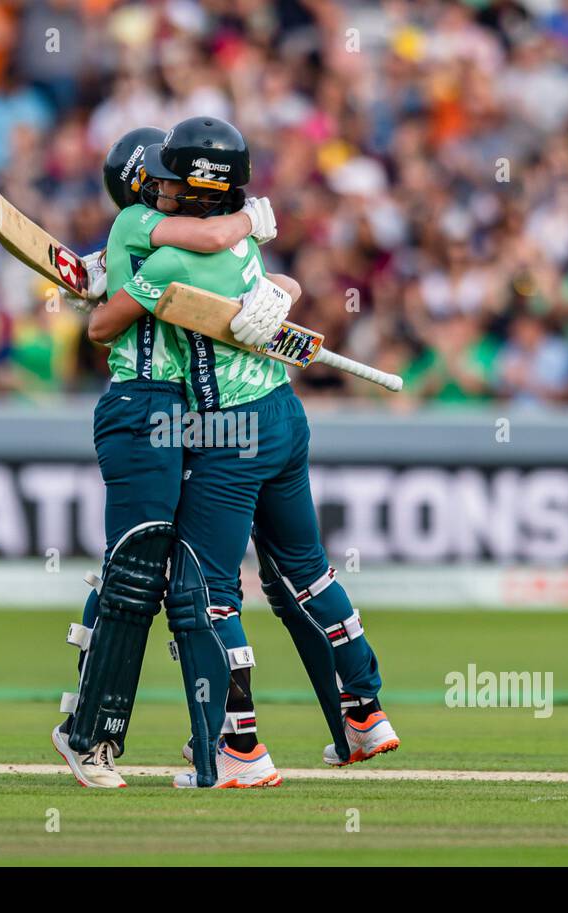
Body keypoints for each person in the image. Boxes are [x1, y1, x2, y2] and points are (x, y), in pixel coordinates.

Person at [86, 117, 397, 790]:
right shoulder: (245, 248)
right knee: (308, 572)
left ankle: (242, 749)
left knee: (211, 595)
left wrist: (111, 290)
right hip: (286, 414)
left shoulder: (167, 259)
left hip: (230, 432)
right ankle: (366, 711)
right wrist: (277, 292)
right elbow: (258, 271)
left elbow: (102, 325)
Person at [51, 124, 278, 788]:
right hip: (139, 404)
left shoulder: (153, 233)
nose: (189, 190)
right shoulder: (139, 221)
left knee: (164, 578)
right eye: (174, 179)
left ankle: (219, 738)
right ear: (147, 183)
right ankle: (87, 736)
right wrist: (251, 216)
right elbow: (105, 323)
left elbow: (229, 264)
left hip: (182, 411)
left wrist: (277, 291)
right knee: (134, 576)